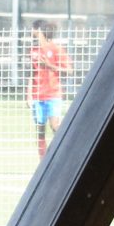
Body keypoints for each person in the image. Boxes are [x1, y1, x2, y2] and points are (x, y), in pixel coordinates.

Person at [26, 21, 69, 160]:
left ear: (39, 31)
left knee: (55, 126)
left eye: (33, 29)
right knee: (40, 130)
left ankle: (62, 152)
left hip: (53, 94)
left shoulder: (56, 49)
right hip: (38, 95)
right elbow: (32, 73)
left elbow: (69, 70)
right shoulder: (33, 50)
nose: (31, 32)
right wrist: (28, 94)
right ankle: (43, 162)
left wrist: (49, 66)